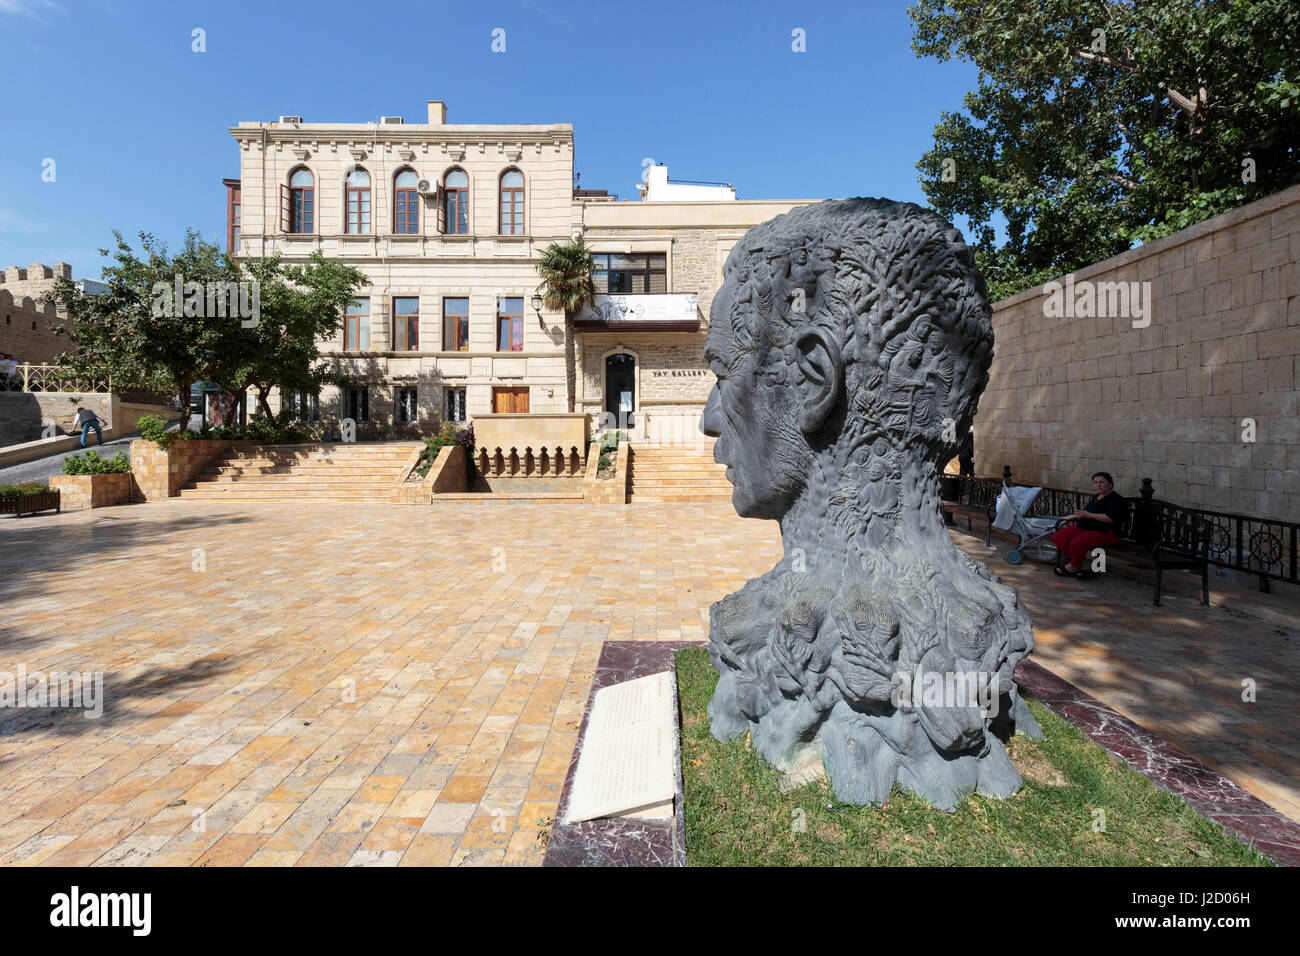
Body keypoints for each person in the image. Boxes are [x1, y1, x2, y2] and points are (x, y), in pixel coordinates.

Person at [1052, 472, 1128, 579]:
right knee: (1058, 537)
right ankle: (1081, 564)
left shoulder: (1115, 499)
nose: (1098, 485)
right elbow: (1087, 513)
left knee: (1077, 543)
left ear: (1110, 484)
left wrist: (1089, 515)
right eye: (1096, 482)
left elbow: (1111, 518)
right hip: (1087, 527)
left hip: (1107, 531)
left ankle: (1074, 566)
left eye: (1102, 482)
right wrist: (1075, 516)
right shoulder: (1097, 496)